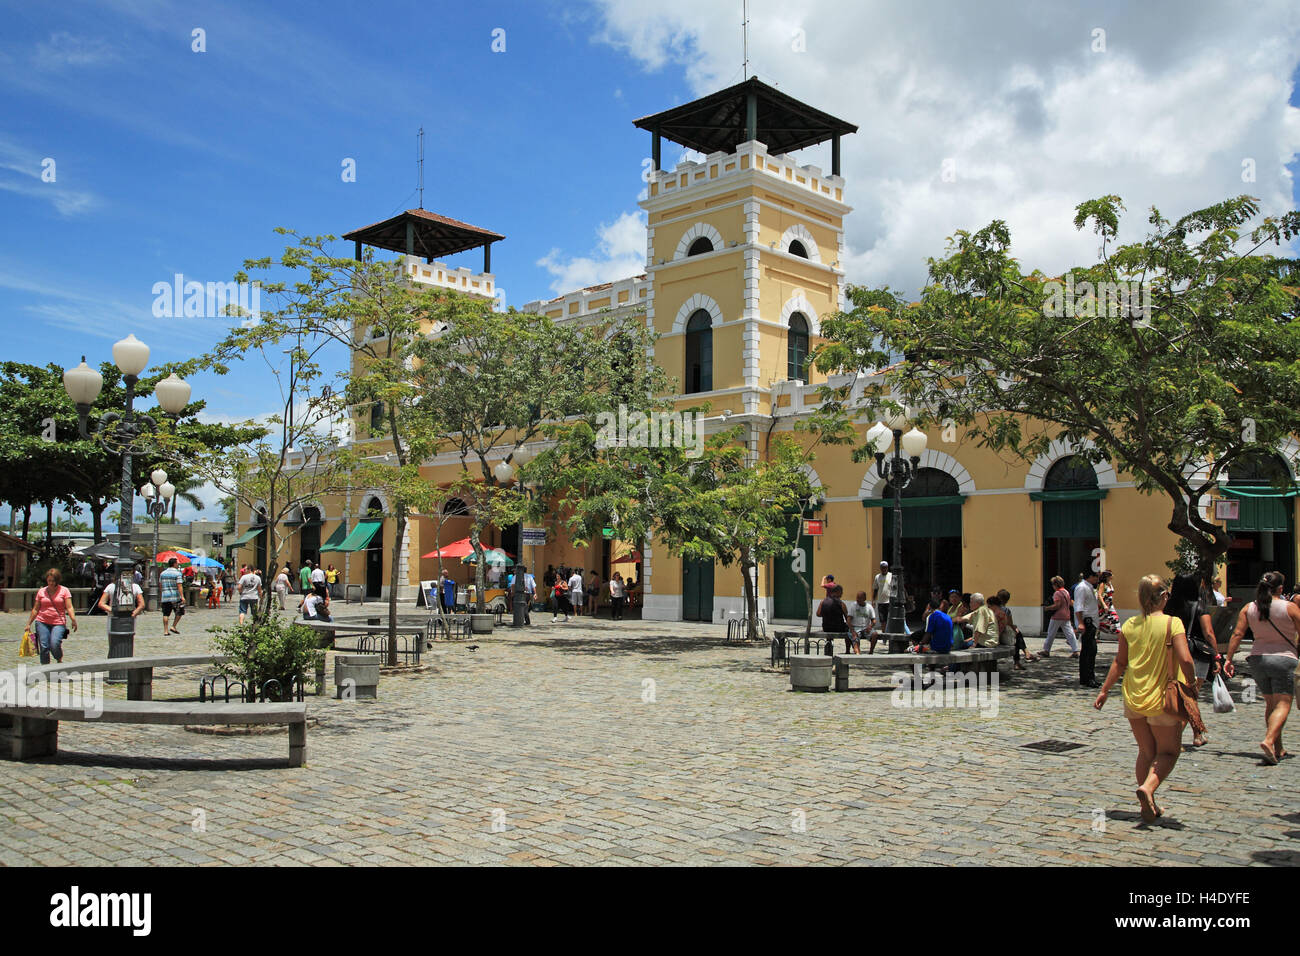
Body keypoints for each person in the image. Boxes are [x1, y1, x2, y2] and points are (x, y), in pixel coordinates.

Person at [1094, 574, 1197, 823]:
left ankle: (1147, 805)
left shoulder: (1130, 625)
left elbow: (1120, 663)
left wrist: (1104, 690)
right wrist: (1192, 684)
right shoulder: (1173, 624)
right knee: (1169, 752)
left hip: (1133, 695)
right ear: (1163, 596)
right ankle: (1148, 790)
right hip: (1163, 697)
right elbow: (1185, 659)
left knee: (1145, 751)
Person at [1225, 571, 1300, 765]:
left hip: (1258, 660)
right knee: (1283, 705)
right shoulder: (1290, 607)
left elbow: (1237, 634)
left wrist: (1229, 659)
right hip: (1284, 659)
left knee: (1270, 705)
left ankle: (1277, 747)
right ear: (1281, 589)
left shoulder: (1249, 608)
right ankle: (1268, 740)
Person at [1170, 573, 1220, 748]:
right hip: (1195, 653)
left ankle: (1197, 733)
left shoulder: (1169, 607)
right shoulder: (1199, 606)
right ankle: (1175, 739)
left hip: (1174, 652)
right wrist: (1216, 656)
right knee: (1190, 696)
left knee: (1187, 696)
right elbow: (1208, 632)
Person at [26, 567, 77, 665]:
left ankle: (59, 658)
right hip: (42, 621)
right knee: (44, 646)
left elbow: (69, 607)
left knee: (55, 644)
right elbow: (35, 609)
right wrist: (28, 623)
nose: (51, 583)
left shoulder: (64, 591)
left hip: (58, 622)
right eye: (49, 581)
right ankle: (45, 668)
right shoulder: (42, 591)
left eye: (53, 581)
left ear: (57, 580)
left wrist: (73, 619)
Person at [994, 588, 1036, 668]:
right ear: (1007, 600)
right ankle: (1021, 658)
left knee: (1016, 635)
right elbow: (1010, 624)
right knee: (1016, 635)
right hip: (1001, 636)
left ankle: (1024, 656)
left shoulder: (991, 608)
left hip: (995, 634)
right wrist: (1015, 628)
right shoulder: (1006, 610)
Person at [1075, 569, 1102, 687]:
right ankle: (1087, 678)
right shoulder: (1082, 587)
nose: (1097, 579)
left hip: (1091, 622)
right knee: (1089, 650)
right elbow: (1078, 606)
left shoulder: (1089, 587)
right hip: (1087, 622)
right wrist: (1080, 622)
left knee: (1090, 650)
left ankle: (1088, 677)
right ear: (1090, 576)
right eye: (1096, 576)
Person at [1041, 576, 1079, 658]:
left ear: (1056, 584)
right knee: (1070, 633)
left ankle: (1046, 650)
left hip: (1057, 616)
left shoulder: (1057, 593)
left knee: (1051, 633)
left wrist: (1047, 608)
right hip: (1066, 615)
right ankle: (1075, 650)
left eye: (1053, 584)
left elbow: (1057, 605)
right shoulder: (1066, 592)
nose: (1052, 586)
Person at [816, 584, 853, 653]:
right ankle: (847, 650)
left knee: (829, 632)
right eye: (841, 592)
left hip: (826, 627)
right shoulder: (841, 603)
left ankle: (828, 649)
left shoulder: (822, 601)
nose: (842, 594)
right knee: (849, 631)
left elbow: (818, 614)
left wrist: (826, 614)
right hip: (839, 628)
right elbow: (847, 618)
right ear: (837, 592)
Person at [159, 557, 185, 636]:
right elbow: (179, 585)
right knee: (179, 612)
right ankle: (173, 626)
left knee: (165, 614)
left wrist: (162, 593)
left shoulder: (162, 573)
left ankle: (165, 631)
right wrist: (182, 596)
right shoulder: (177, 573)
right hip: (175, 596)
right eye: (177, 563)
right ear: (174, 564)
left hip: (165, 596)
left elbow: (160, 585)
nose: (178, 565)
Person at [847, 589, 879, 654]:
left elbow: (874, 620)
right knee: (855, 637)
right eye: (857, 597)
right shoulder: (853, 606)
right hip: (856, 627)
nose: (857, 599)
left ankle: (871, 651)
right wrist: (852, 630)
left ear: (864, 598)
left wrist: (870, 626)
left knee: (875, 634)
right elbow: (849, 619)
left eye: (859, 598)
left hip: (865, 627)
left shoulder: (869, 607)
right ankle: (857, 653)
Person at [1097, 570, 1121, 636]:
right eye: (1111, 575)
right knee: (1101, 620)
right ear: (1107, 576)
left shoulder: (1109, 583)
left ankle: (1119, 634)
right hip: (1104, 606)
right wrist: (1104, 605)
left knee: (1115, 619)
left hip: (1110, 605)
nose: (1112, 576)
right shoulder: (1103, 584)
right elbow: (1099, 595)